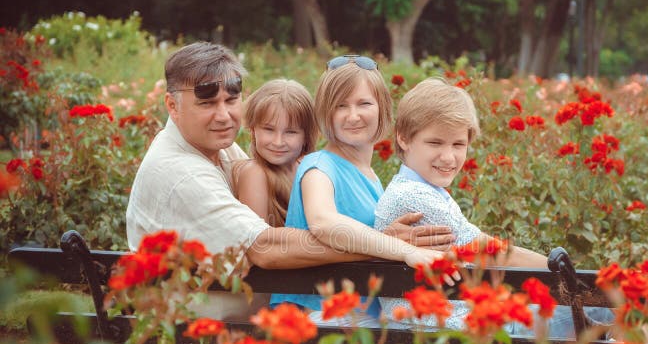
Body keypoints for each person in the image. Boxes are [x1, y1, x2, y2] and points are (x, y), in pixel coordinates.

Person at [126, 43, 453, 320]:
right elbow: (265, 248)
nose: (224, 115)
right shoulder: (183, 172)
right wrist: (380, 243)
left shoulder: (217, 148)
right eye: (207, 103)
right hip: (195, 320)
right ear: (172, 106)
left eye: (230, 100)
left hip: (222, 307)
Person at [374, 78, 614, 342]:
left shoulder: (409, 187)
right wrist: (571, 276)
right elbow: (494, 254)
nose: (448, 157)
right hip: (462, 340)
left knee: (598, 311)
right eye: (435, 143)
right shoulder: (414, 197)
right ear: (404, 139)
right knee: (609, 308)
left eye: (458, 145)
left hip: (456, 331)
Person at [271, 55, 445, 318]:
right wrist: (405, 251)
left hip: (365, 320)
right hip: (325, 319)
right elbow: (324, 222)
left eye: (364, 103)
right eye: (341, 106)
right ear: (326, 112)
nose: (353, 116)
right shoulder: (319, 166)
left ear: (381, 108)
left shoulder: (371, 176)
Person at [232, 79, 317, 226]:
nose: (278, 142)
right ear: (253, 129)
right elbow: (258, 242)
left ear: (306, 136)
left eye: (290, 132)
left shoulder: (306, 168)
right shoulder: (255, 173)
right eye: (269, 130)